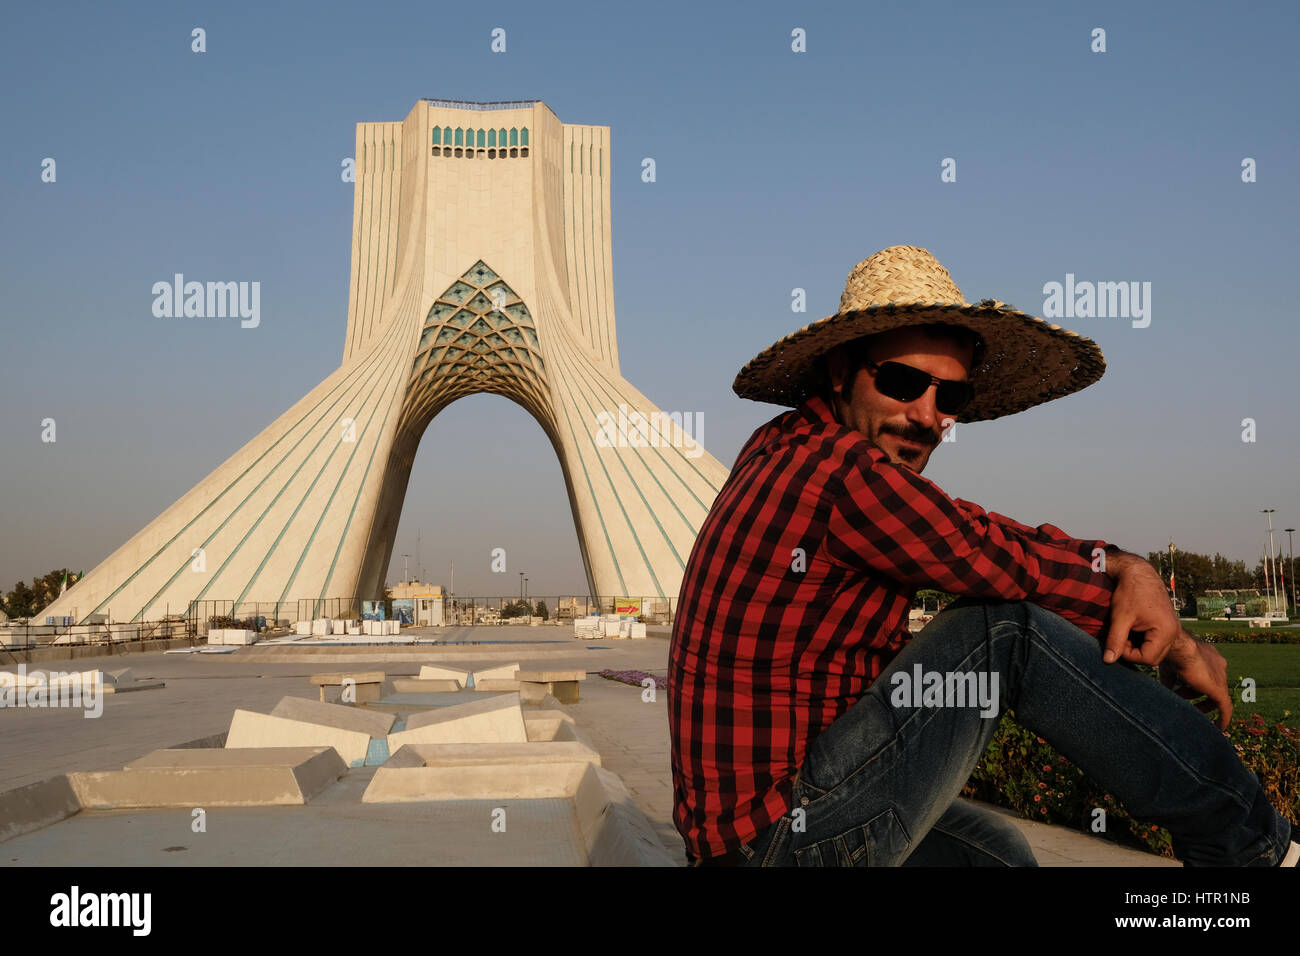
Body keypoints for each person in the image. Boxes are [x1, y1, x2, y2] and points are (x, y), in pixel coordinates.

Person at [667, 245, 1298, 867]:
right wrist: (1174, 635)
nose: (926, 417)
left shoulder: (785, 442)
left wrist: (1125, 567)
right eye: (903, 382)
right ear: (840, 371)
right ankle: (1249, 848)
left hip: (752, 833)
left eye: (951, 398)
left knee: (996, 854)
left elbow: (972, 531)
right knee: (1001, 632)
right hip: (776, 842)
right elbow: (999, 562)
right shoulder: (843, 474)